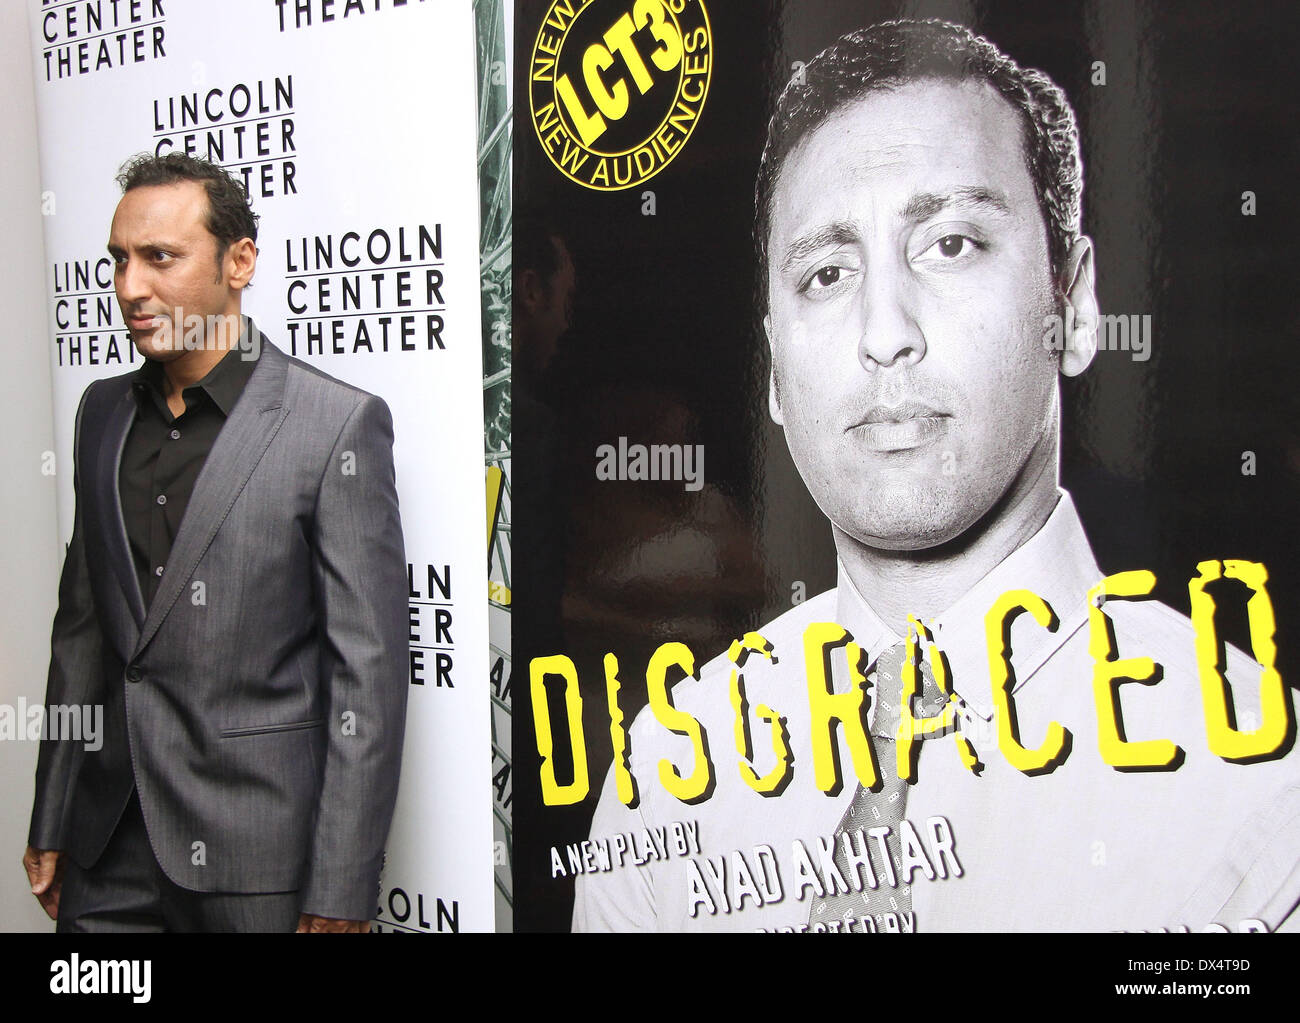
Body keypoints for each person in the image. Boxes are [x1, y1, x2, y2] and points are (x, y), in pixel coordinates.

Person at [572, 19, 1299, 933]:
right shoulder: (672, 770)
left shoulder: (1260, 801)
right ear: (773, 376)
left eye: (950, 244)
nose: (885, 332)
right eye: (829, 272)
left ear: (1071, 307)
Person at [23, 152, 409, 933]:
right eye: (120, 261)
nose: (131, 287)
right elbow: (83, 630)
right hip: (106, 853)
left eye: (160, 258)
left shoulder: (332, 423)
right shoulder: (102, 413)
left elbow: (366, 678)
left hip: (257, 861)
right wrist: (52, 814)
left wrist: (340, 884)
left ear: (240, 262)